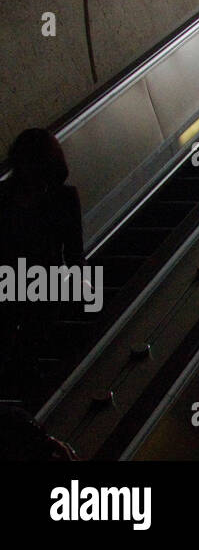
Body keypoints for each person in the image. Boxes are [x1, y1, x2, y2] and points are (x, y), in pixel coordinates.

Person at [0, 128, 84, 405]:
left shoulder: (63, 198)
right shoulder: (6, 198)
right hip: (16, 282)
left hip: (41, 284)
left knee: (29, 336)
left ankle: (22, 375)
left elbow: (73, 251)